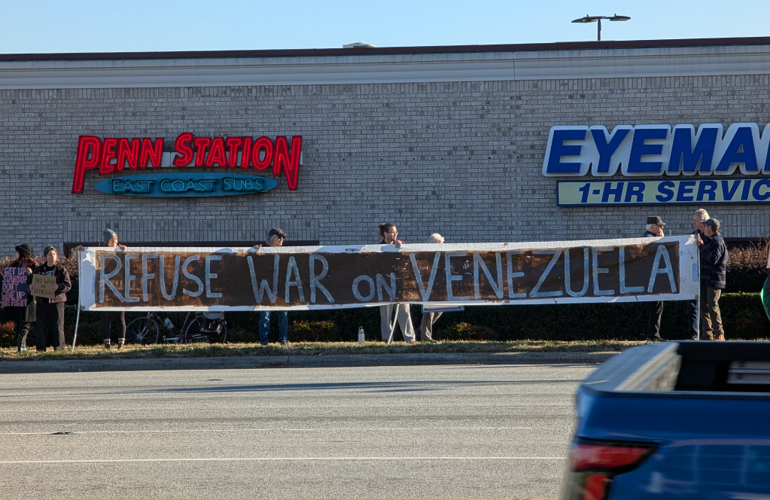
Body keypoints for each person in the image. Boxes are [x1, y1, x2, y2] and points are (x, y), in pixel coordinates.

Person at [378, 223, 416, 344]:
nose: (395, 235)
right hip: (385, 284)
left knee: (404, 311)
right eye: (392, 232)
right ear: (385, 234)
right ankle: (387, 338)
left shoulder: (401, 244)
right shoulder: (378, 248)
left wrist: (400, 247)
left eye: (396, 232)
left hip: (400, 284)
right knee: (386, 313)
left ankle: (410, 338)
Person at [33, 246, 71, 351]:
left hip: (57, 301)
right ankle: (41, 348)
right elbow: (31, 283)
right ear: (45, 256)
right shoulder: (39, 270)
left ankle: (59, 348)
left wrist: (58, 287)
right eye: (50, 254)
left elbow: (68, 285)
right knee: (41, 325)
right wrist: (31, 287)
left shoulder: (61, 270)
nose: (52, 256)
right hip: (42, 301)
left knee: (58, 325)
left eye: (54, 254)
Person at [255, 228, 289, 346]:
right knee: (265, 316)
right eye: (279, 237)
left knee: (283, 315)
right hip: (266, 289)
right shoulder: (263, 252)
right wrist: (254, 251)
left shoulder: (286, 253)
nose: (281, 239)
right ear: (271, 239)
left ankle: (283, 339)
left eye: (283, 237)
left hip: (280, 289)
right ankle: (264, 341)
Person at [695, 218, 728, 341]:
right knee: (703, 305)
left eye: (705, 226)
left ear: (709, 228)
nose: (703, 228)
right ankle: (707, 332)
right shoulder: (708, 240)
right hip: (705, 279)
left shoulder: (717, 241)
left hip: (714, 280)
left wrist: (701, 246)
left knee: (712, 305)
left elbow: (713, 259)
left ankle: (719, 333)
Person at [3, 244, 37, 353]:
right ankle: (21, 345)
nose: (15, 254)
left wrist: (30, 275)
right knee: (18, 323)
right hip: (16, 300)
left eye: (17, 252)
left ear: (22, 254)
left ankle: (21, 347)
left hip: (27, 300)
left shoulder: (33, 266)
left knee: (25, 323)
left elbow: (37, 282)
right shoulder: (14, 265)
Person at [101, 229, 127, 349]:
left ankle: (121, 343)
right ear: (107, 241)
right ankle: (107, 343)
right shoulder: (100, 252)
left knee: (120, 317)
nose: (114, 243)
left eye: (116, 240)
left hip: (118, 289)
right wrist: (81, 250)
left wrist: (125, 252)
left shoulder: (120, 252)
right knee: (106, 317)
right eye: (112, 240)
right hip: (105, 289)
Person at [688, 208, 710, 339]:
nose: (694, 223)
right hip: (693, 275)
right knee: (692, 306)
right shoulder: (693, 235)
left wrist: (701, 245)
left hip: (707, 276)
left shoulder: (711, 237)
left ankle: (708, 333)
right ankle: (693, 334)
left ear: (703, 221)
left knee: (707, 306)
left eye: (696, 220)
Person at [643, 217, 666, 342]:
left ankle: (654, 334)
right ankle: (653, 334)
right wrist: (662, 239)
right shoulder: (647, 237)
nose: (662, 228)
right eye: (659, 225)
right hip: (652, 280)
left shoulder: (651, 236)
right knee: (656, 307)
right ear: (652, 227)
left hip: (654, 278)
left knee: (657, 307)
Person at [419, 233, 445, 343]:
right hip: (428, 287)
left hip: (439, 287)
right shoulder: (425, 256)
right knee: (429, 311)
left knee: (440, 309)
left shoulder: (442, 255)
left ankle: (422, 330)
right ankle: (425, 336)